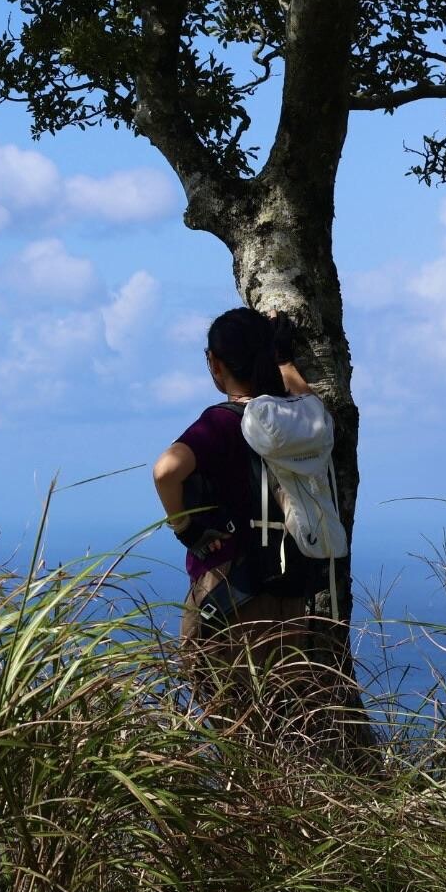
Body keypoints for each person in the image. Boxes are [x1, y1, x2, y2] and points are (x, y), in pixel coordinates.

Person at [152, 307, 337, 735]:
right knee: (277, 711)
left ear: (214, 363)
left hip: (228, 591)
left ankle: (243, 799)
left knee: (228, 716)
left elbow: (166, 470)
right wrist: (285, 359)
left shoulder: (220, 423)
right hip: (288, 588)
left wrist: (187, 529)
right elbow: (305, 400)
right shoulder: (302, 420)